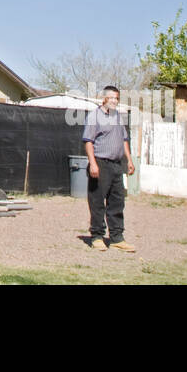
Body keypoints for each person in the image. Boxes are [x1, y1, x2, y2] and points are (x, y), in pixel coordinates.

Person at [83, 85, 136, 252]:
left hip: (116, 165)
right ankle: (97, 236)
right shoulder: (94, 116)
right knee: (97, 201)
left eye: (117, 98)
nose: (114, 101)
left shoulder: (118, 117)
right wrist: (93, 163)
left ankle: (116, 238)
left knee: (117, 202)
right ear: (104, 98)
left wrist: (129, 160)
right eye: (111, 98)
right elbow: (88, 141)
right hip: (100, 163)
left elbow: (124, 139)